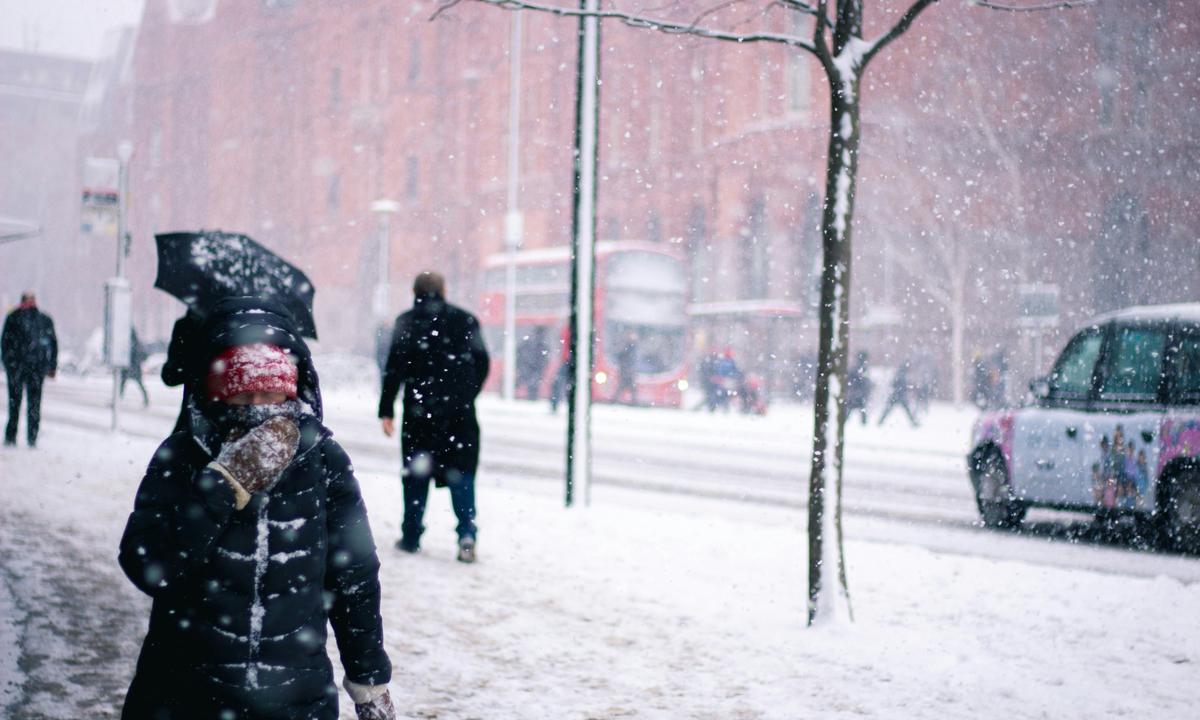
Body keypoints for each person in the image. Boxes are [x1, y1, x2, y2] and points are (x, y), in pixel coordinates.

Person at [118, 297, 394, 720]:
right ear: (216, 393)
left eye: (271, 392)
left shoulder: (322, 459)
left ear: (293, 388)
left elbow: (354, 577)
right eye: (244, 394)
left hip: (296, 698)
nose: (260, 407)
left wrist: (369, 681)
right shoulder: (184, 456)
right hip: (185, 695)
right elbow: (149, 566)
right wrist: (221, 487)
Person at [379, 272, 489, 563]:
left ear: (414, 291)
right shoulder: (465, 320)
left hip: (419, 414)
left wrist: (386, 409)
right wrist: (466, 394)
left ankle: (412, 534)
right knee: (462, 474)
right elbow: (482, 362)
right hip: (459, 416)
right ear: (444, 290)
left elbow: (393, 369)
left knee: (416, 475)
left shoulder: (406, 322)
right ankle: (466, 534)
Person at [2, 291, 57, 448]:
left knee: (15, 404)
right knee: (34, 405)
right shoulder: (44, 320)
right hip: (35, 370)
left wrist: (9, 365)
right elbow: (53, 344)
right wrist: (51, 367)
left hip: (17, 369)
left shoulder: (13, 318)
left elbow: (4, 344)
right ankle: (31, 438)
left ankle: (11, 437)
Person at [163, 309, 204, 433]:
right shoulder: (245, 324)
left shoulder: (188, 325)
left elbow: (170, 376)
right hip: (241, 419)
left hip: (195, 415)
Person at [877, 359, 920, 428]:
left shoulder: (900, 373)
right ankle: (880, 421)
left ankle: (880, 421)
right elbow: (896, 384)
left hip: (897, 395)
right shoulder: (901, 374)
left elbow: (894, 384)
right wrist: (906, 388)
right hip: (898, 395)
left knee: (889, 409)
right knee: (905, 410)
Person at [119, 327, 150, 407]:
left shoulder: (132, 344)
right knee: (138, 384)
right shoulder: (136, 343)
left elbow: (139, 355)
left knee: (124, 383)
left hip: (131, 367)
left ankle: (118, 399)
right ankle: (146, 400)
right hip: (134, 367)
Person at [515, 327, 549, 400]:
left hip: (530, 367)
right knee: (532, 384)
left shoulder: (529, 343)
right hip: (533, 367)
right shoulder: (541, 345)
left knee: (528, 382)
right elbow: (544, 359)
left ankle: (529, 397)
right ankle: (532, 398)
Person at [846, 351, 872, 426]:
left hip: (856, 393)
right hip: (858, 393)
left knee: (851, 409)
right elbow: (862, 380)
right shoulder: (862, 367)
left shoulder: (859, 367)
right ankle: (864, 425)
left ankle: (864, 425)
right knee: (860, 409)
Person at [612, 330, 639, 405]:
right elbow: (625, 358)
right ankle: (633, 401)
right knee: (627, 386)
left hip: (627, 371)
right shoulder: (629, 347)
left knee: (624, 386)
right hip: (627, 371)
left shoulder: (630, 347)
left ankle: (616, 400)